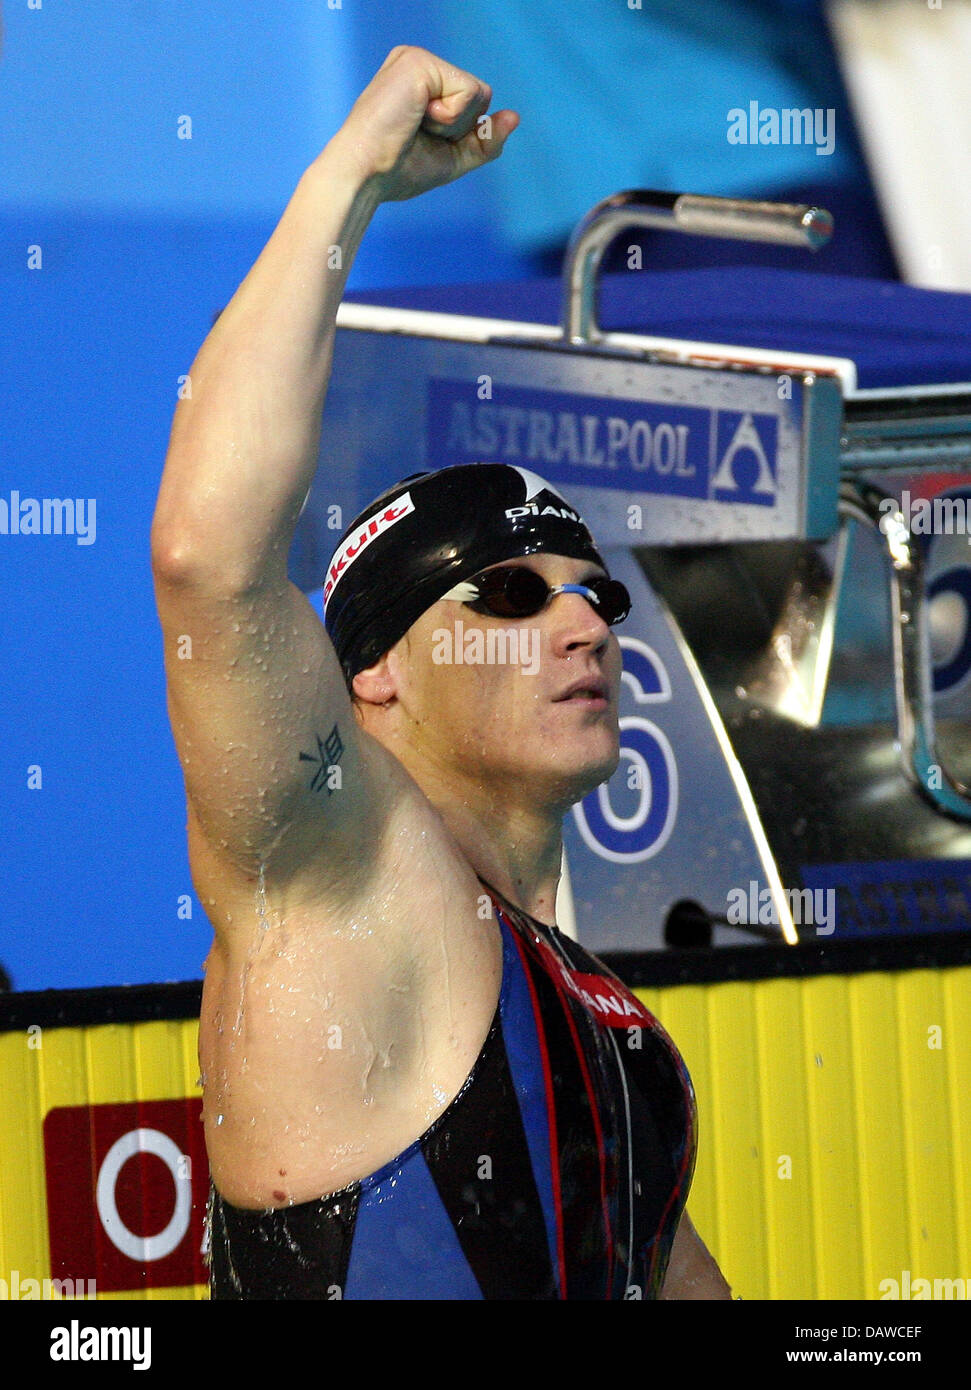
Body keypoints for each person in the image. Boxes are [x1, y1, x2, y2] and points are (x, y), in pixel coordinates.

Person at [151, 44, 731, 1300]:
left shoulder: (590, 1015)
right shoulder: (336, 886)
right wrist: (350, 173)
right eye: (512, 599)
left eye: (596, 595)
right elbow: (207, 559)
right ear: (371, 675)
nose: (583, 628)